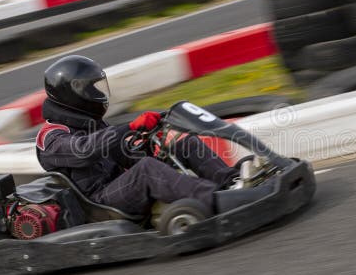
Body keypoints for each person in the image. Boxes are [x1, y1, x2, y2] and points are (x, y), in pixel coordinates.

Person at [35, 55, 268, 218]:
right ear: (73, 93)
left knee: (184, 144)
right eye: (90, 88)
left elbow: (122, 155)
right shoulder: (51, 137)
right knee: (147, 169)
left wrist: (149, 141)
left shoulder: (90, 123)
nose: (97, 93)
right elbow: (84, 150)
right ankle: (216, 198)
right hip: (99, 202)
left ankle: (232, 182)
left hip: (117, 185)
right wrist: (129, 127)